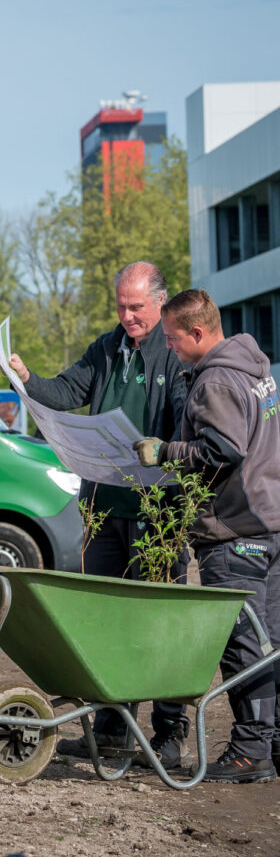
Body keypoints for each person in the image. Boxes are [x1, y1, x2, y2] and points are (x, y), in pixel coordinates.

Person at [9, 261, 190, 767]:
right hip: (104, 506)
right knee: (108, 620)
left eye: (136, 307)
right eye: (121, 306)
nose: (128, 316)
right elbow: (67, 392)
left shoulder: (173, 353)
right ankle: (112, 726)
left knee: (158, 620)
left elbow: (186, 420)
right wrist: (27, 379)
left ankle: (170, 731)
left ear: (159, 301)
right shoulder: (107, 348)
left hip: (157, 513)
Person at [135, 288, 280, 782]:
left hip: (234, 528)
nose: (169, 347)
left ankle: (249, 753)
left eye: (173, 339)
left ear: (198, 332)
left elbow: (223, 451)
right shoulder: (256, 368)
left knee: (241, 645)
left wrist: (164, 453)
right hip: (271, 521)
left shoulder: (215, 380)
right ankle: (273, 742)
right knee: (270, 641)